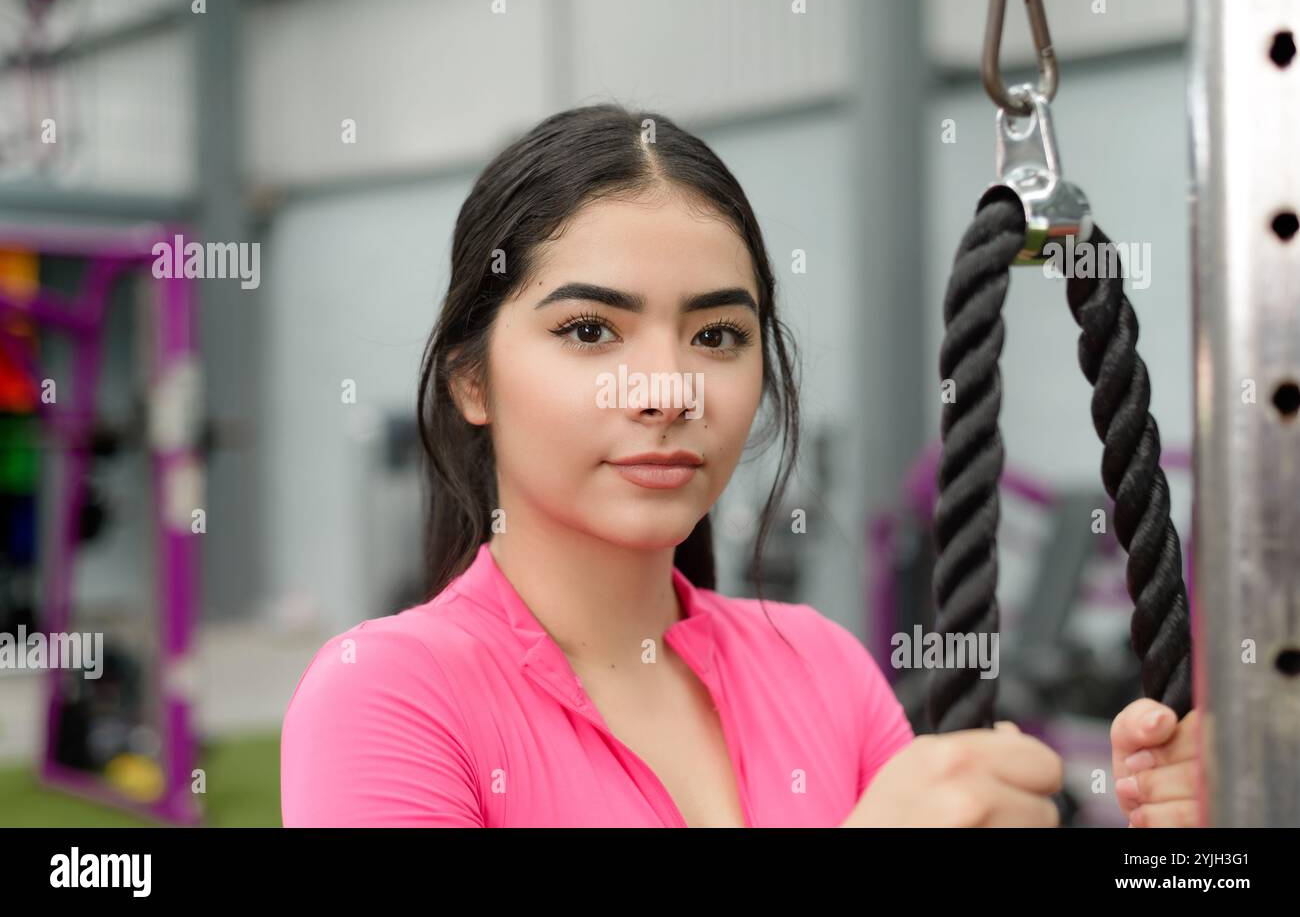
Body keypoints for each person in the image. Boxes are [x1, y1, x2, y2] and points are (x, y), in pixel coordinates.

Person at [279, 102, 1199, 827]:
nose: (669, 388)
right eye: (590, 330)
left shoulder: (822, 668)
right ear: (471, 381)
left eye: (717, 334)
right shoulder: (388, 695)